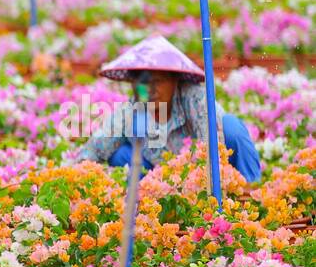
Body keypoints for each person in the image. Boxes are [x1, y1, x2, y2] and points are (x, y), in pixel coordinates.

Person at [74, 35, 261, 182]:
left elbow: (213, 150)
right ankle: (147, 214)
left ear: (175, 80)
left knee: (231, 128)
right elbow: (95, 149)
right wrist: (75, 178)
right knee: (120, 155)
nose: (150, 90)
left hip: (204, 175)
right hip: (159, 185)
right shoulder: (130, 112)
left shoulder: (195, 99)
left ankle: (250, 191)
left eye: (158, 81)